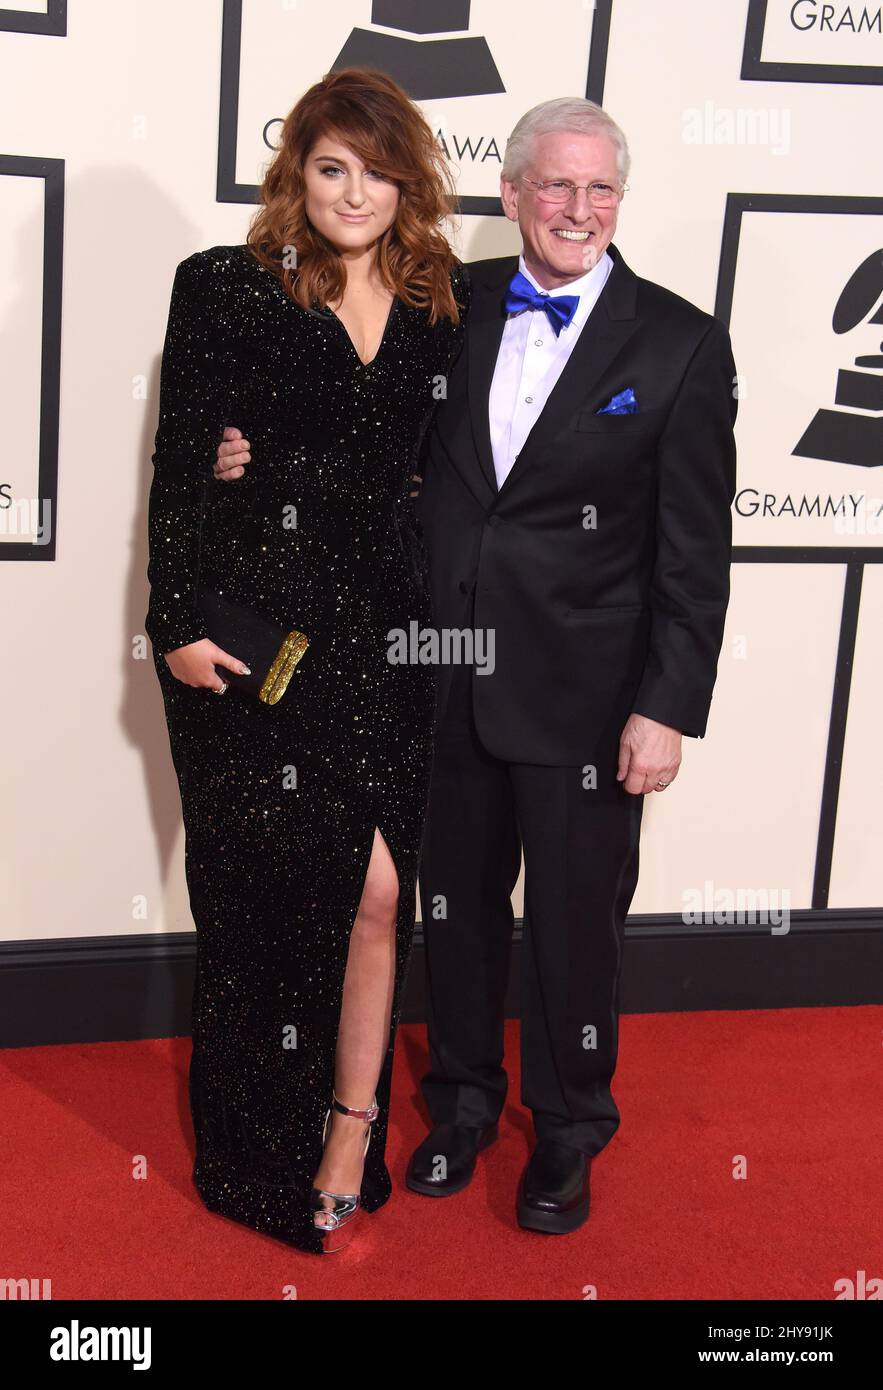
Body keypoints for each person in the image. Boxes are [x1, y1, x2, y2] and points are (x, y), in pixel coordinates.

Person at [214, 97, 737, 1238]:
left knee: (572, 924)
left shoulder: (680, 341)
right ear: (509, 194)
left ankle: (567, 1128)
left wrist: (665, 706)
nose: (577, 210)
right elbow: (361, 430)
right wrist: (244, 448)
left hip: (587, 701)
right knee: (449, 914)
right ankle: (458, 1104)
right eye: (554, 185)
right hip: (438, 676)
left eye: (600, 189)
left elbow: (696, 553)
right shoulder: (448, 301)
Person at [145, 68, 468, 1255]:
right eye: (332, 167)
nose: (355, 191)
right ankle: (249, 1149)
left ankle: (349, 1124)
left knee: (383, 890)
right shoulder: (229, 285)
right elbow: (182, 464)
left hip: (385, 632)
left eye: (378, 171)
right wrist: (171, 618)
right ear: (298, 173)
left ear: (408, 182)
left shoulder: (442, 302)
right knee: (264, 908)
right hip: (253, 636)